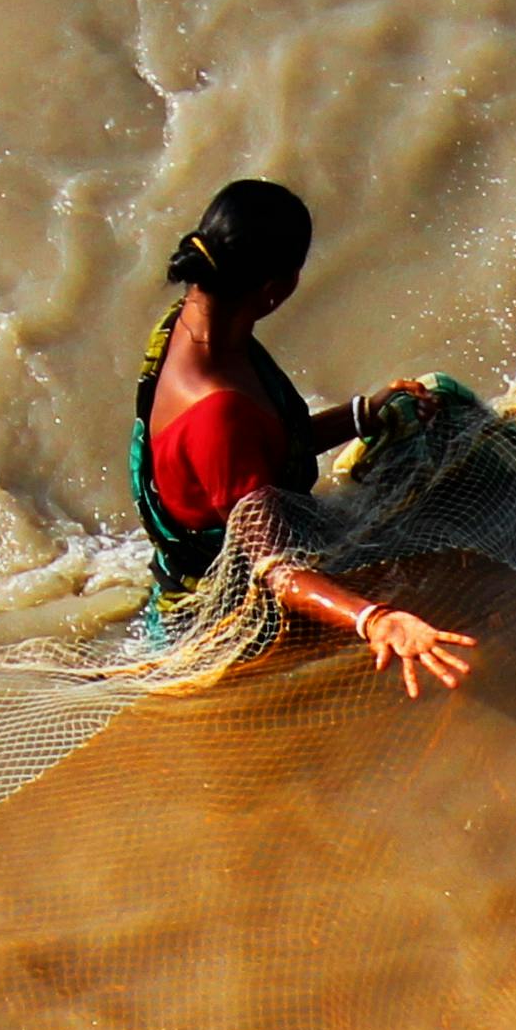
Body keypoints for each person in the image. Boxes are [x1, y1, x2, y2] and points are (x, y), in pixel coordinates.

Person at [132, 177, 478, 696]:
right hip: (221, 618)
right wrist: (376, 620)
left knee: (435, 401)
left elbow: (260, 452)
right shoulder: (217, 417)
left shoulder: (195, 324)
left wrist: (364, 414)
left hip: (209, 553)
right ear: (275, 289)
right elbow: (276, 571)